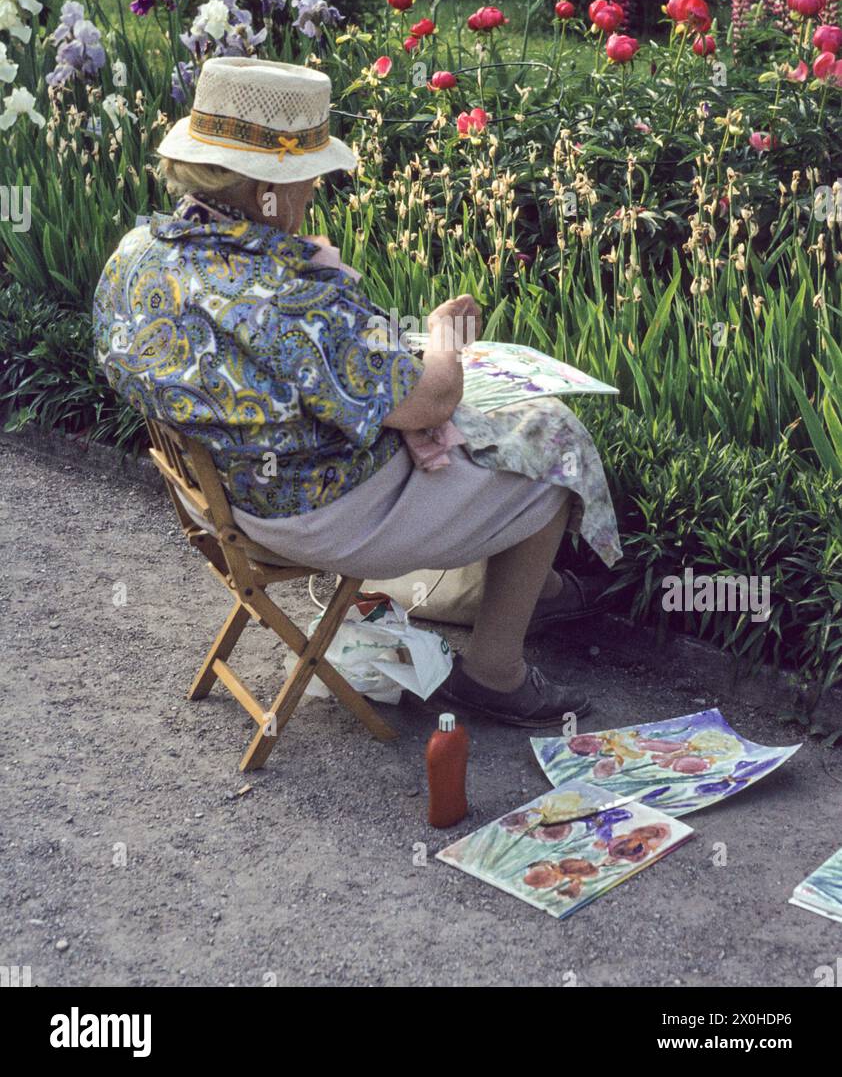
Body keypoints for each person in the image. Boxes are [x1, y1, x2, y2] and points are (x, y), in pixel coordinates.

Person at [94, 56, 620, 727]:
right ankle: (495, 671)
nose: (314, 191)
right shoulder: (290, 295)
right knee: (552, 438)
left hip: (218, 502)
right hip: (311, 517)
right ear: (268, 188)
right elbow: (429, 400)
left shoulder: (139, 252)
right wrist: (443, 336)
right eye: (307, 177)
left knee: (492, 436)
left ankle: (496, 589)